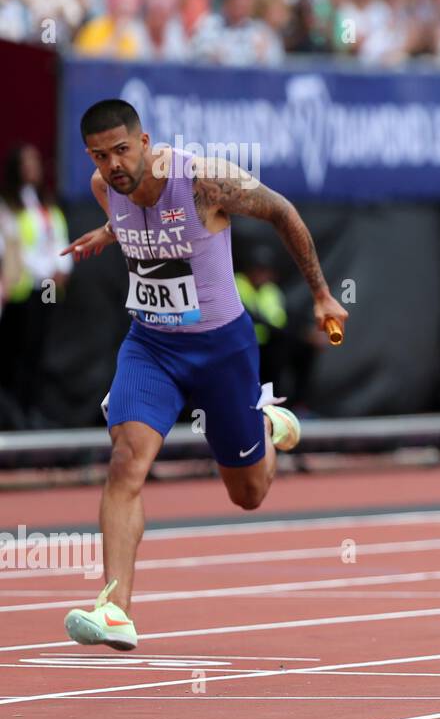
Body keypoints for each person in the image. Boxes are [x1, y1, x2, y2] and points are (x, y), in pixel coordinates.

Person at [59, 99, 348, 650]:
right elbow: (128, 219)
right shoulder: (107, 188)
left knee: (248, 494)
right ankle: (115, 609)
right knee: (126, 460)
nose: (113, 165)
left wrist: (320, 294)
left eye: (122, 150)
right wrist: (106, 234)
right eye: (100, 156)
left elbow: (283, 211)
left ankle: (264, 424)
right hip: (150, 346)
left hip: (221, 350)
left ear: (146, 143)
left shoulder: (202, 182)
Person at [0, 144, 72, 428]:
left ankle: (31, 415)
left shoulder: (48, 205)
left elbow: (58, 241)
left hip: (47, 289)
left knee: (39, 351)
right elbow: (12, 247)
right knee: (15, 355)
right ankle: (12, 418)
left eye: (35, 162)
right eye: (26, 163)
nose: (33, 168)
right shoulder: (8, 206)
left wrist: (61, 269)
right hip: (20, 291)